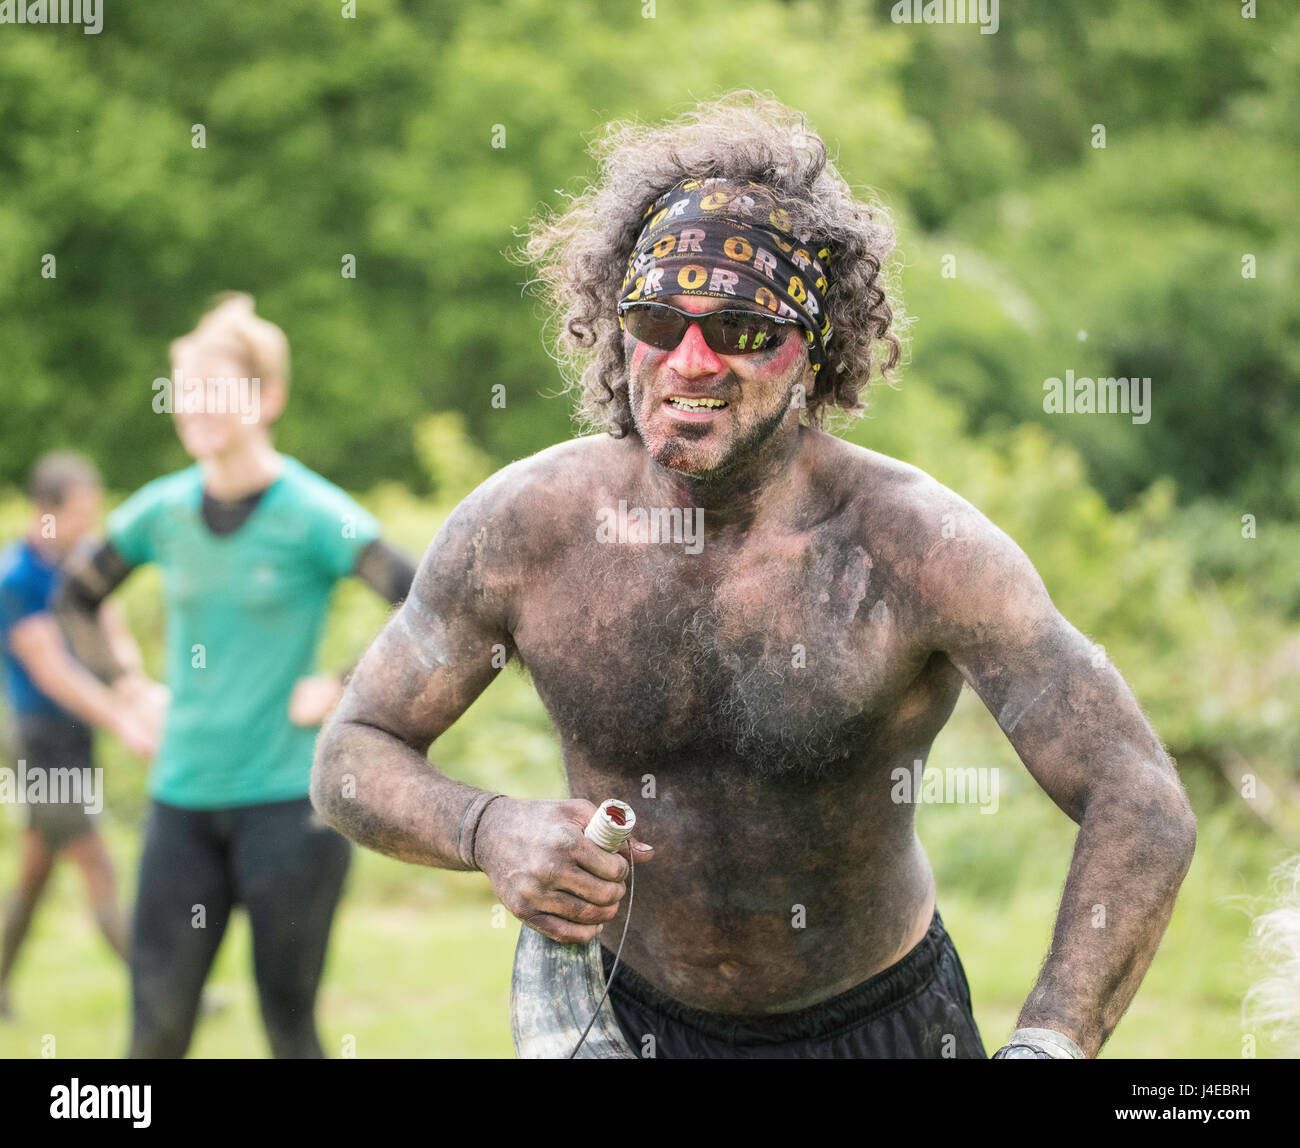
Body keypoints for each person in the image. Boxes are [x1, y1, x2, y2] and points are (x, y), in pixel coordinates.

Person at [311, 91, 1197, 1059]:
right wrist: (486, 826)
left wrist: (1052, 1041)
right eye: (657, 318)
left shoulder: (915, 546)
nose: (688, 361)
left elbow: (1136, 790)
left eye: (739, 328)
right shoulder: (529, 525)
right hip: (618, 1016)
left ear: (811, 356)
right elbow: (353, 750)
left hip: (881, 1023)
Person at [55, 293, 416, 1058]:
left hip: (290, 809)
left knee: (289, 1029)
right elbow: (77, 598)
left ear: (267, 397)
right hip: (180, 804)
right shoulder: (161, 512)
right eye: (186, 389)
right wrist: (126, 685)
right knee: (152, 1037)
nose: (197, 407)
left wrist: (346, 685)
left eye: (216, 388)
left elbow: (425, 604)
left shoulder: (315, 512)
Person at [0, 452, 159, 1019]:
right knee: (98, 866)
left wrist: (136, 685)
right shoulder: (16, 579)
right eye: (79, 515)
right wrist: (123, 719)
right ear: (45, 512)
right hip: (42, 744)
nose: (89, 528)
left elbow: (108, 630)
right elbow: (55, 673)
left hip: (77, 736)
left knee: (36, 871)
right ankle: (162, 986)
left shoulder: (82, 561)